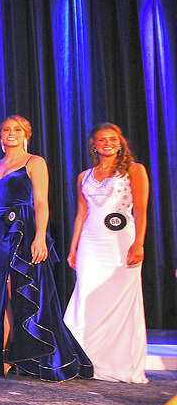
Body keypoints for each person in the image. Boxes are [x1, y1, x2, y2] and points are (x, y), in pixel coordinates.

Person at [0, 116, 92, 380]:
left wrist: (40, 237)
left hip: (23, 229)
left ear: (26, 135)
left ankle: (20, 354)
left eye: (17, 130)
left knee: (19, 293)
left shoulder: (35, 162)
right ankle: (1, 356)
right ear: (1, 137)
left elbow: (41, 202)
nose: (11, 134)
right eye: (6, 130)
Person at [62, 123, 150, 384]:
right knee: (86, 295)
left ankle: (119, 363)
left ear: (120, 142)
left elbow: (141, 210)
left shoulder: (134, 170)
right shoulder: (84, 176)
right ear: (94, 145)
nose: (107, 143)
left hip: (121, 241)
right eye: (101, 140)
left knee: (120, 298)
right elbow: (82, 213)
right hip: (91, 241)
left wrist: (139, 244)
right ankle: (85, 358)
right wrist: (73, 246)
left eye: (112, 139)